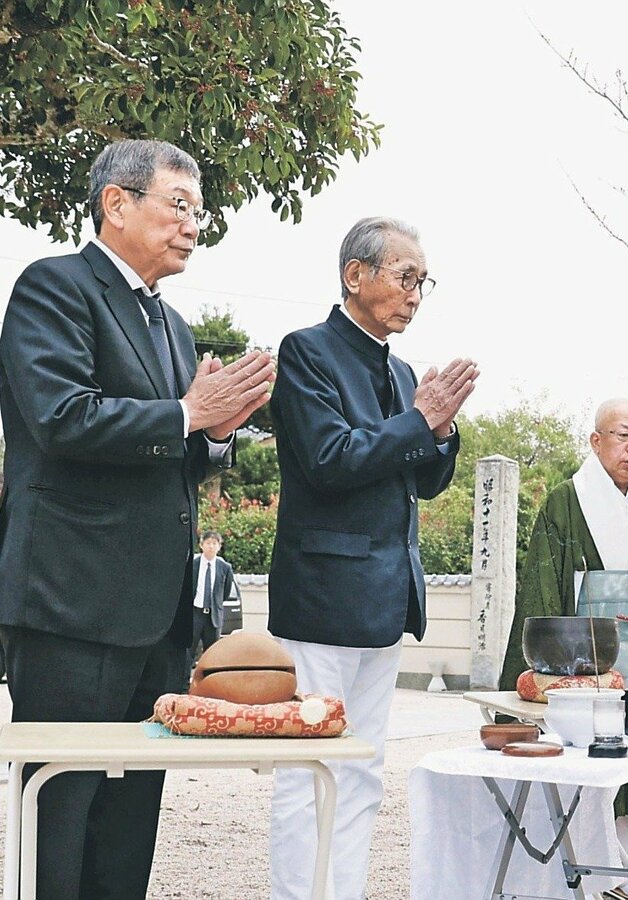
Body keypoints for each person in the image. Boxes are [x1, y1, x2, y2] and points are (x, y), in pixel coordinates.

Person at [0, 138, 274, 899]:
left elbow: (177, 457)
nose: (193, 225)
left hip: (155, 615)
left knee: (130, 821)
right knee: (58, 815)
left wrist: (216, 433)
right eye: (177, 206)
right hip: (71, 604)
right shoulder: (53, 289)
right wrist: (188, 412)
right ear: (116, 204)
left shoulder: (174, 327)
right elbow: (61, 418)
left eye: (200, 211)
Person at [267, 216, 476, 900]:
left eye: (424, 282)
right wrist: (419, 422)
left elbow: (421, 481)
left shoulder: (404, 369)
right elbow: (329, 461)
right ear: (355, 276)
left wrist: (440, 434)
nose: (416, 294)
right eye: (405, 276)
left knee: (361, 770)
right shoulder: (307, 353)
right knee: (309, 768)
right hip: (324, 594)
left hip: (388, 596)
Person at [499, 397, 628, 900]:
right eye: (623, 435)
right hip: (583, 659)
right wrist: (552, 663)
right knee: (586, 762)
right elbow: (543, 590)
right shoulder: (567, 502)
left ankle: (625, 865)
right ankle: (590, 869)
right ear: (595, 441)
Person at [191, 530, 235, 663]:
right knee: (189, 651)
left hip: (213, 616)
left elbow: (225, 592)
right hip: (195, 614)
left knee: (212, 654)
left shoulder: (225, 568)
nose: (211, 546)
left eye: (214, 543)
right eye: (208, 543)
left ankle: (209, 681)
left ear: (219, 546)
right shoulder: (193, 565)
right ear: (201, 545)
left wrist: (216, 604)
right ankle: (184, 682)